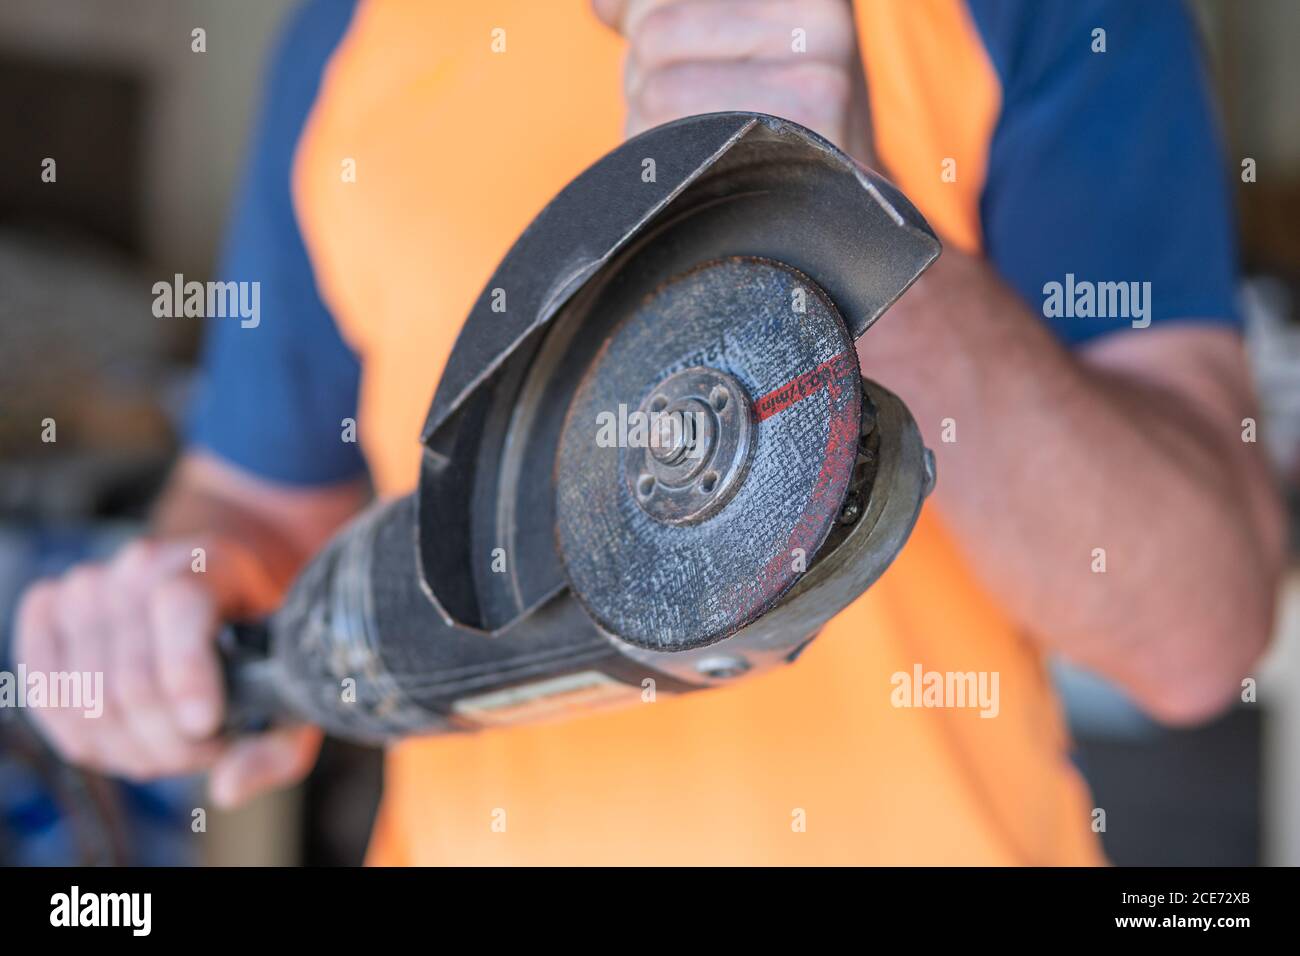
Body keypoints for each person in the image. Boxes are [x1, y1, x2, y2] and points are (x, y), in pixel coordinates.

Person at [14, 0, 1285, 864]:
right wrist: (168, 611)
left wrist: (830, 215)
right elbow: (250, 509)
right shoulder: (348, 40)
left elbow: (1196, 631)